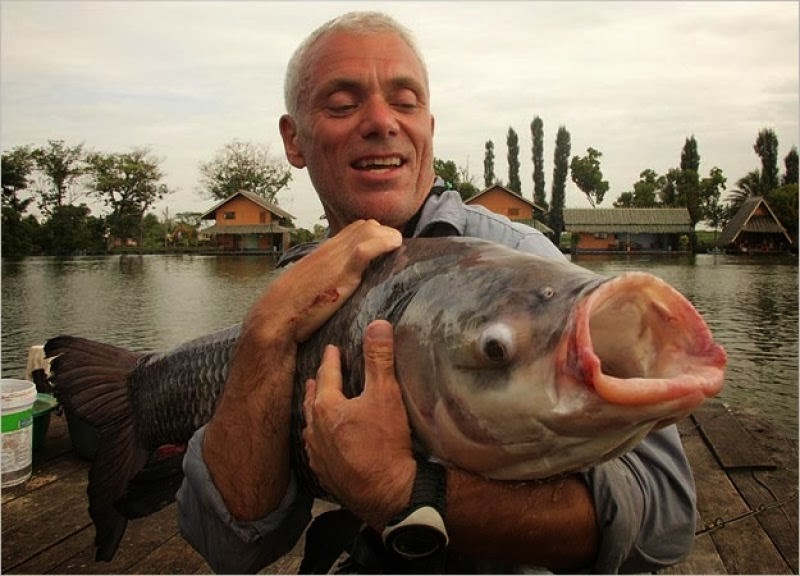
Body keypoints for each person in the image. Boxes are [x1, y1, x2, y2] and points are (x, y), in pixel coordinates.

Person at [177, 11, 697, 573]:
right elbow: (232, 547)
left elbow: (665, 522)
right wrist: (264, 336)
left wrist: (407, 490)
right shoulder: (293, 293)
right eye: (343, 104)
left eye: (405, 102)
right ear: (293, 138)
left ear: (427, 124)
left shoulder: (522, 261)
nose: (382, 122)